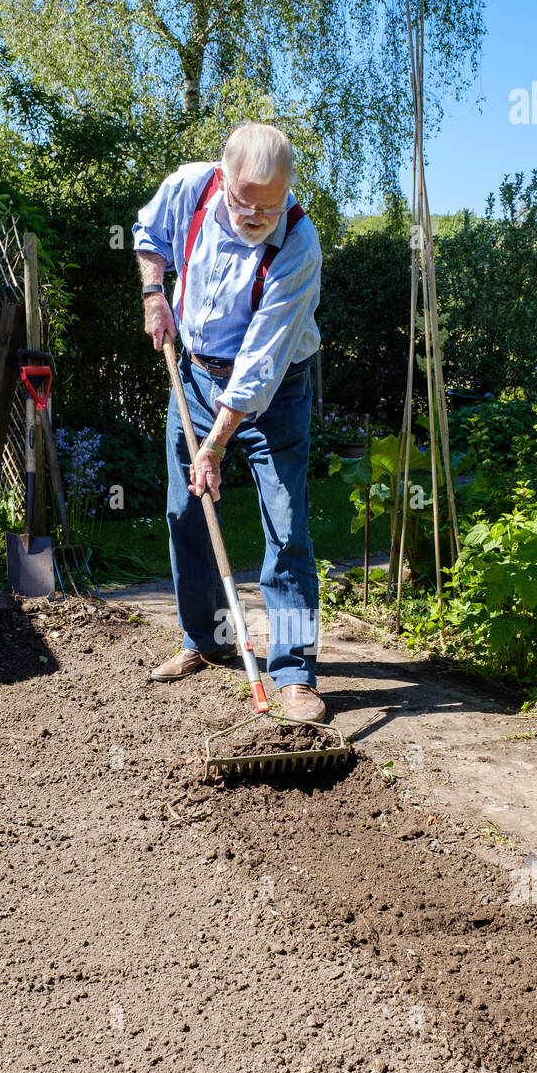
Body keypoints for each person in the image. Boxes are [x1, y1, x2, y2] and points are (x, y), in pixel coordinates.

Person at [132, 121, 326, 723]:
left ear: (288, 190)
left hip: (276, 388)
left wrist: (214, 445)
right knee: (185, 510)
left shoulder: (298, 245)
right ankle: (202, 639)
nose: (254, 216)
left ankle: (293, 672)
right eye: (244, 202)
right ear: (224, 178)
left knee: (285, 523)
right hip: (192, 374)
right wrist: (155, 295)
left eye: (269, 206)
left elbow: (259, 367)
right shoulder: (191, 188)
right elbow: (148, 234)